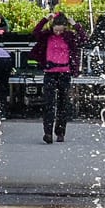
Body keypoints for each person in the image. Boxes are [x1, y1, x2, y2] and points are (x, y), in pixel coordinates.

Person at [32, 9, 86, 143]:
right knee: (49, 103)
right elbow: (35, 33)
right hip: (50, 72)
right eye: (56, 30)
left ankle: (60, 132)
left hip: (65, 72)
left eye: (61, 31)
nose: (58, 33)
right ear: (52, 27)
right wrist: (45, 19)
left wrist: (74, 24)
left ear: (65, 28)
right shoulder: (47, 36)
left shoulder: (69, 36)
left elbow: (84, 38)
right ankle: (48, 133)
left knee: (63, 103)